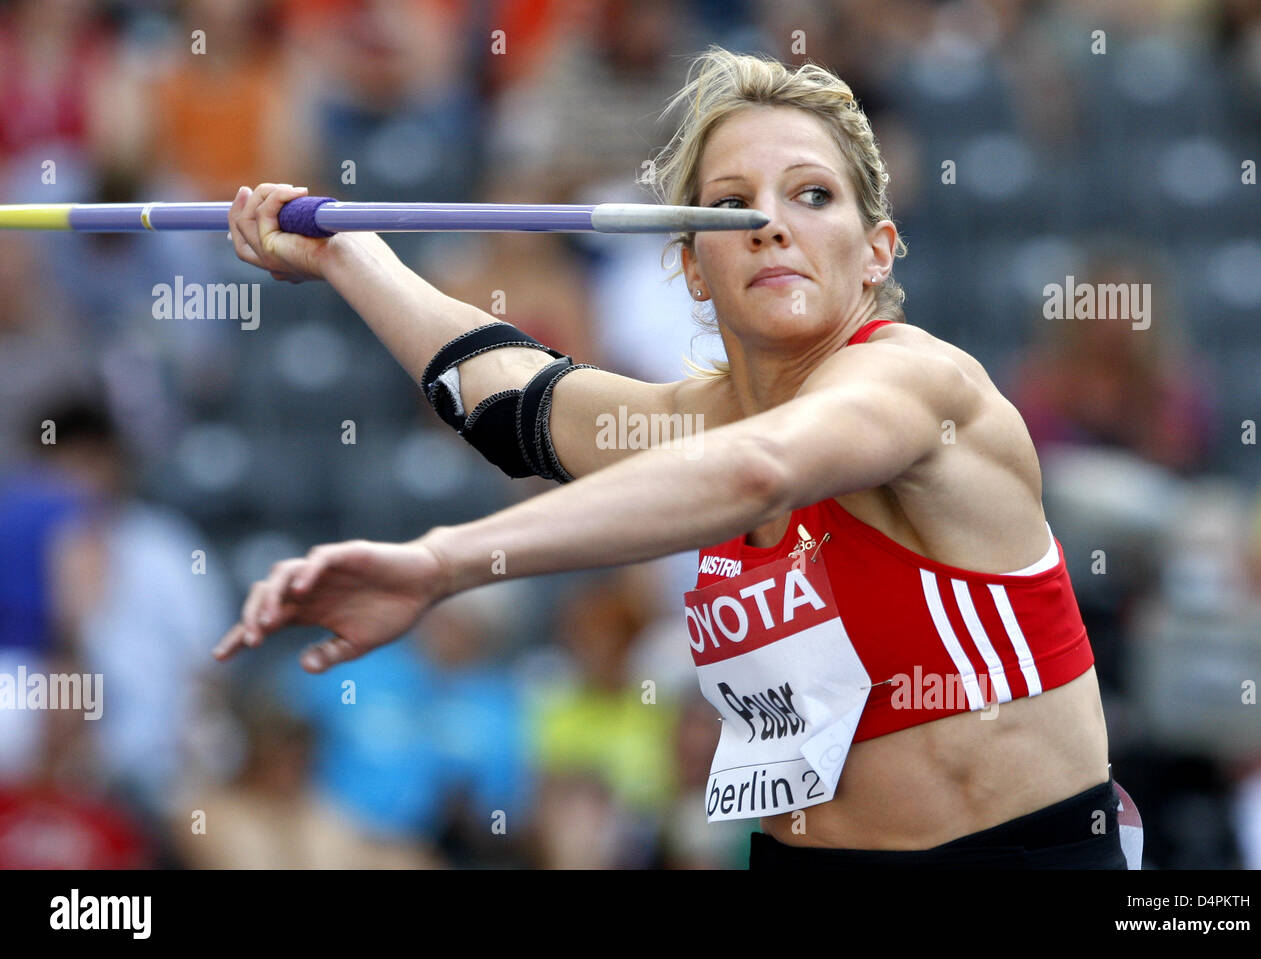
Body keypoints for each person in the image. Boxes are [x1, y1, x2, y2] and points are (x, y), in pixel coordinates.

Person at [213, 46, 1137, 869]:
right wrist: (347, 257)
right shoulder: (700, 421)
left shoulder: (917, 383)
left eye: (812, 196)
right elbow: (513, 404)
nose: (771, 225)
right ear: (694, 264)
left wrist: (439, 562)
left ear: (875, 252)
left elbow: (758, 470)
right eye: (731, 205)